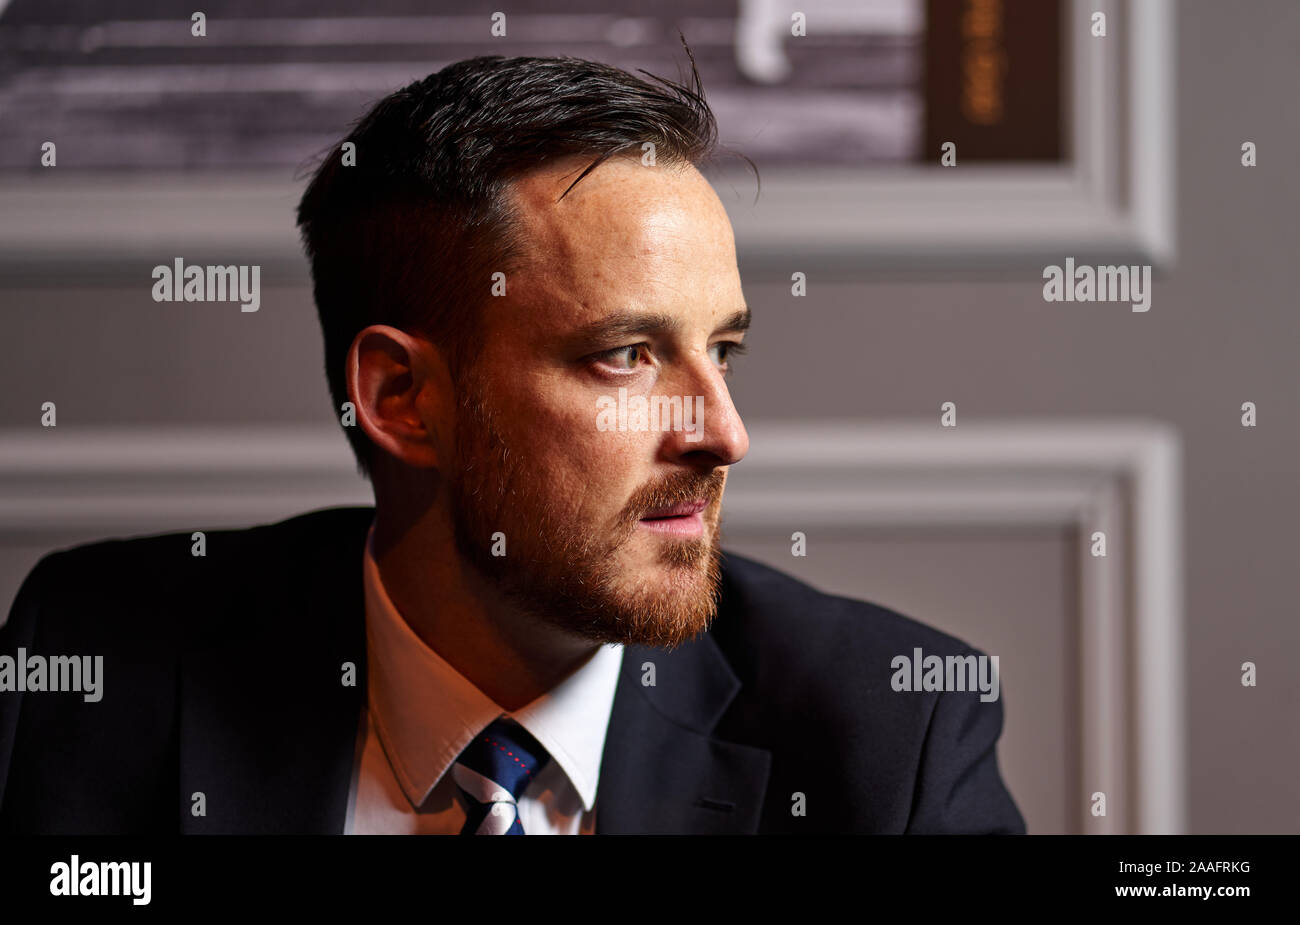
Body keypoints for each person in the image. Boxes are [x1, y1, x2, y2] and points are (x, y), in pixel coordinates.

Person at [0, 50, 1024, 835]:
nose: (724, 433)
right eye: (626, 355)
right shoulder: (94, 662)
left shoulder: (886, 739)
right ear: (402, 398)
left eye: (722, 349)